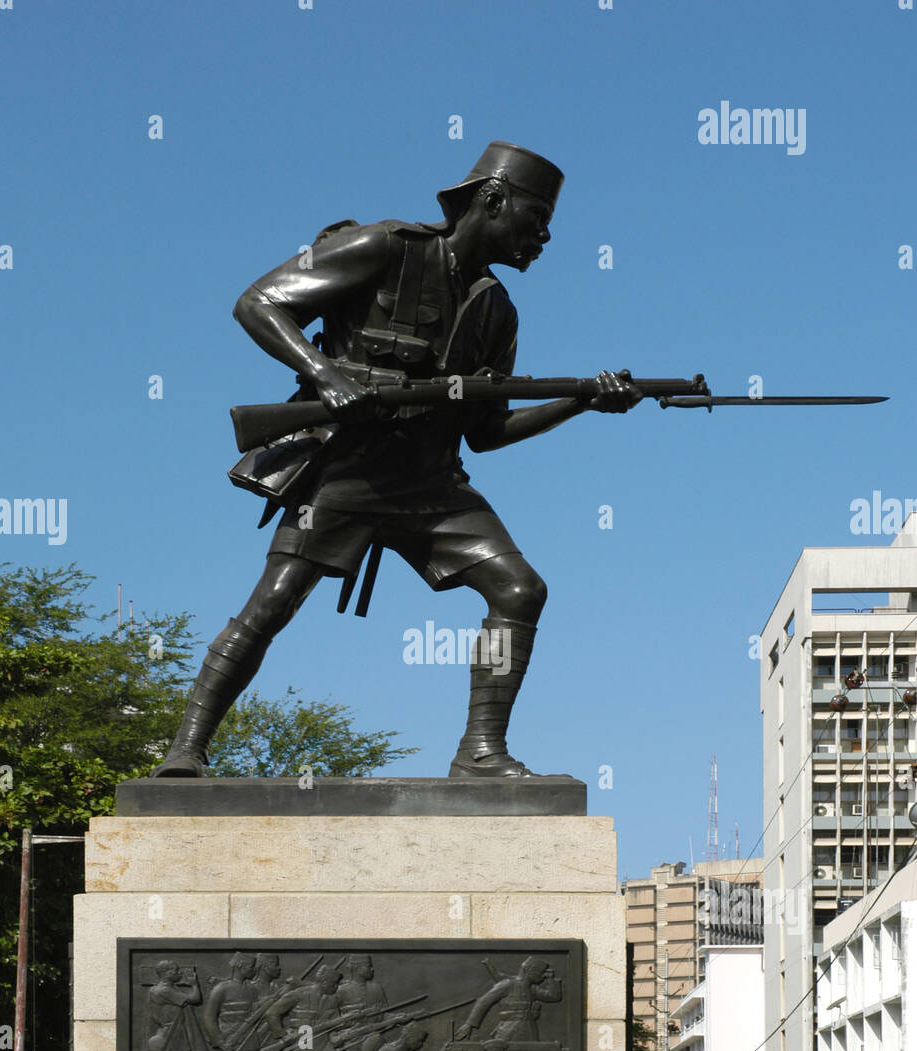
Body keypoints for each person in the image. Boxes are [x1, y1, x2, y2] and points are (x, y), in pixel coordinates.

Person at [151, 141, 641, 782]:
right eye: (537, 217)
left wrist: (580, 402)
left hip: (431, 480)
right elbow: (259, 303)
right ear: (492, 200)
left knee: (520, 589)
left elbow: (487, 433)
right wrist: (323, 375)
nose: (544, 236)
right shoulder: (386, 246)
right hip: (347, 468)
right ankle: (185, 750)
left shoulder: (497, 310)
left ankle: (480, 751)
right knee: (272, 603)